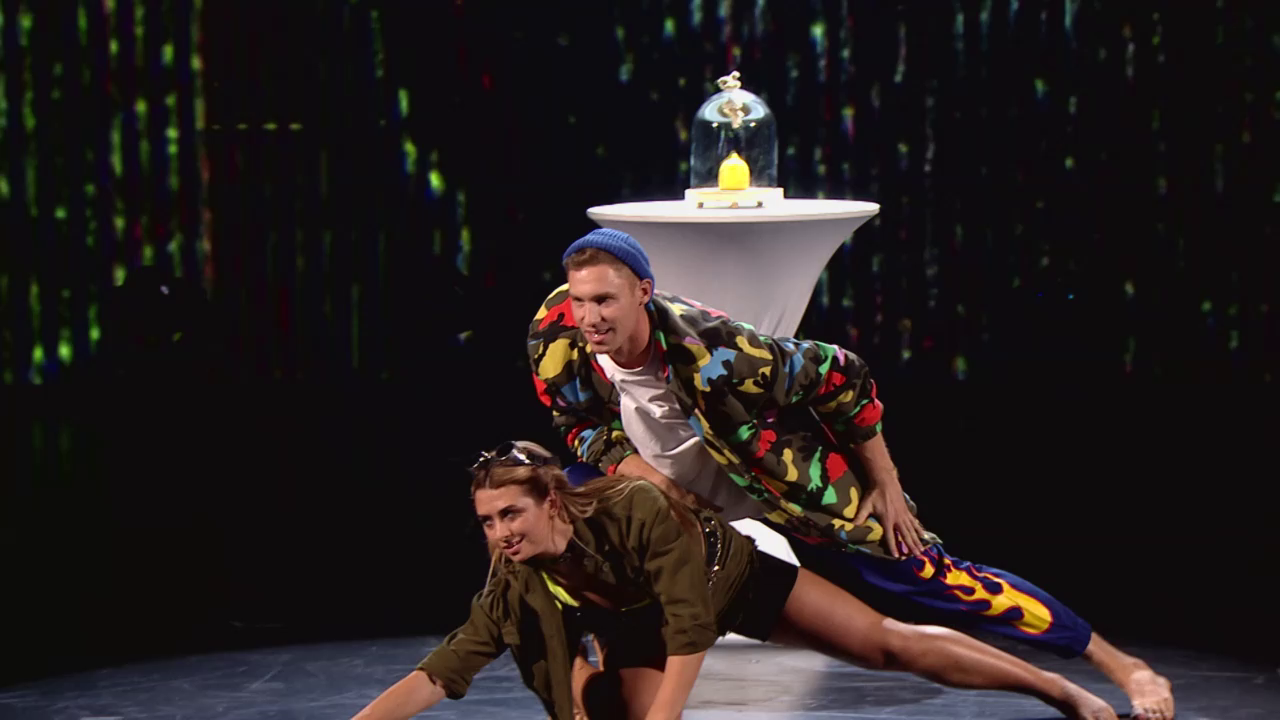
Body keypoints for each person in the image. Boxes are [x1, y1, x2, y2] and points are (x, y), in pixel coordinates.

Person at [525, 229, 1175, 720]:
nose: (592, 319)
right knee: (563, 510)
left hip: (785, 485)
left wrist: (885, 484)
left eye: (605, 301)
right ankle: (594, 665)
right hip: (664, 493)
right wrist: (651, 480)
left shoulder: (721, 349)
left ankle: (1119, 664)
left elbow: (844, 375)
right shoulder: (556, 335)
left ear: (643, 293)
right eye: (581, 302)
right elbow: (576, 422)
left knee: (936, 580)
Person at [351, 441, 1118, 720]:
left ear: (551, 502)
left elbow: (689, 621)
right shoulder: (512, 574)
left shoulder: (631, 505)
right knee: (611, 705)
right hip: (634, 623)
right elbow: (444, 669)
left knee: (887, 644)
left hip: (729, 577)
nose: (500, 533)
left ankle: (1060, 690)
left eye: (510, 514)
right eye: (487, 522)